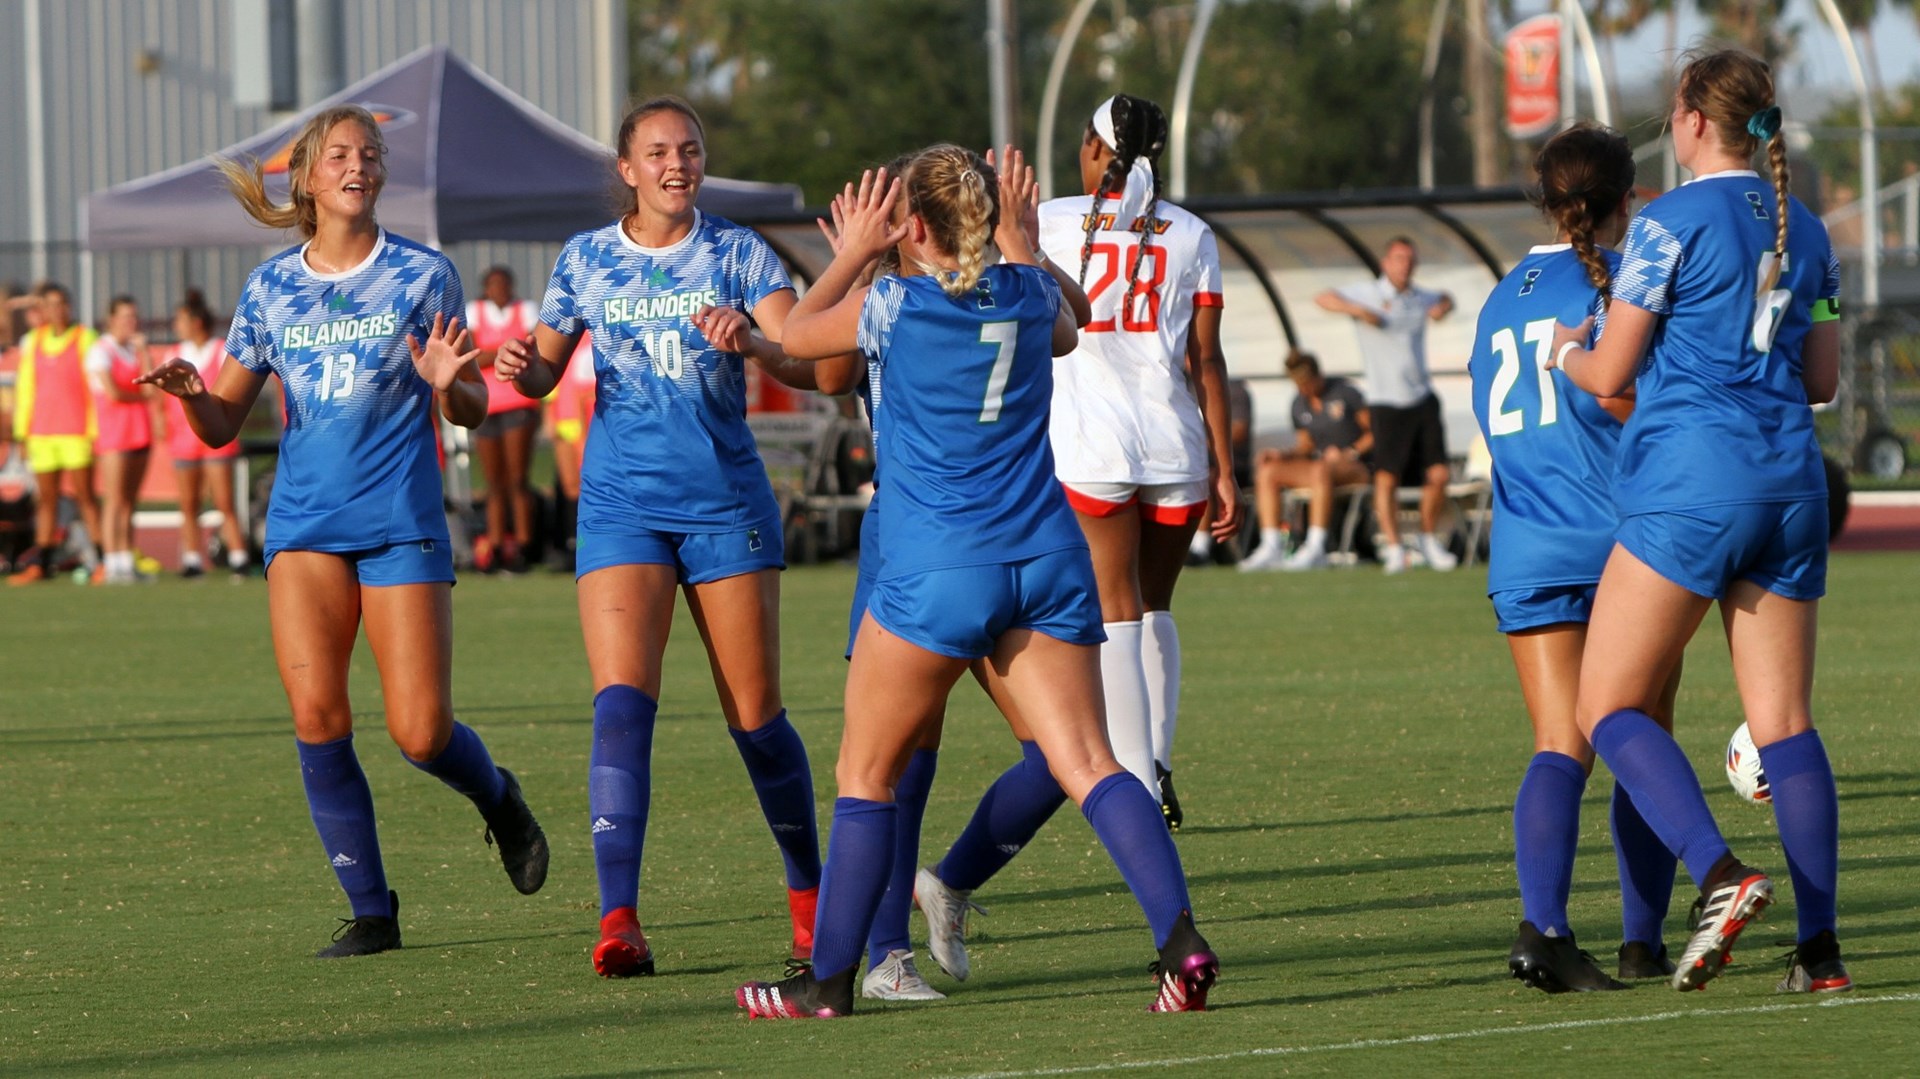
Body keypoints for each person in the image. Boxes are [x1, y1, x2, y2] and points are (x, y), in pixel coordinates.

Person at [734, 147, 1217, 1019]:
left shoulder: (891, 300)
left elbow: (797, 334)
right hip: (1043, 559)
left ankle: (831, 979)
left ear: (908, 226)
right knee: (1092, 762)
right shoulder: (1030, 294)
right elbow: (1078, 317)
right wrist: (1025, 240)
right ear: (986, 219)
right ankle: (1180, 943)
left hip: (936, 568)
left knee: (864, 771)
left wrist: (852, 247)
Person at [138, 104, 549, 958]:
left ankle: (498, 797)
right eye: (340, 155)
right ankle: (372, 910)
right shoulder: (270, 288)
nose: (358, 166)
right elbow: (222, 423)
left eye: (370, 153)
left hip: (399, 524)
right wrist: (188, 394)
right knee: (319, 716)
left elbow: (469, 405)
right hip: (304, 530)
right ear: (308, 179)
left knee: (420, 733)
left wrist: (450, 384)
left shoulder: (423, 275)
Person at [492, 96, 825, 979]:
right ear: (627, 169)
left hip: (726, 506)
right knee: (621, 704)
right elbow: (545, 369)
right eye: (658, 152)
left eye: (690, 149)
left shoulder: (739, 251)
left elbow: (805, 352)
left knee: (755, 719)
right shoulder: (586, 260)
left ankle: (810, 900)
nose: (677, 163)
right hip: (621, 507)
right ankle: (618, 918)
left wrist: (753, 339)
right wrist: (523, 368)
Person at [1548, 49, 1847, 993]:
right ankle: (1821, 954)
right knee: (1787, 723)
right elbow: (1824, 381)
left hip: (1689, 487)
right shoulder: (1809, 225)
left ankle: (1719, 872)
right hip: (1792, 486)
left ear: (1687, 120)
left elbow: (1609, 377)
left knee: (1607, 707)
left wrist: (1566, 353)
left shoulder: (1669, 220)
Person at [1469, 123, 1682, 993]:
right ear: (1626, 198)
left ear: (1544, 197)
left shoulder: (1497, 295)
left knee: (1559, 742)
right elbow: (1636, 403)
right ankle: (1642, 940)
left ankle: (1545, 926)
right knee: (1642, 734)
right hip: (1620, 541)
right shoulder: (1624, 285)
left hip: (1525, 542)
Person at [1035, 92, 1239, 828]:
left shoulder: (1050, 221)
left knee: (1114, 612)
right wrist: (1225, 465)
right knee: (1156, 607)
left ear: (1094, 150)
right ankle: (1156, 760)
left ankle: (1135, 789)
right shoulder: (1192, 231)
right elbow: (1206, 358)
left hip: (1091, 444)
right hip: (1176, 443)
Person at [1315, 237, 1457, 573]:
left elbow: (1446, 299)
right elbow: (1323, 297)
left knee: (1438, 474)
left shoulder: (1418, 297)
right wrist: (1359, 312)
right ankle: (1394, 548)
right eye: (1398, 259)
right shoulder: (1369, 293)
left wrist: (1444, 308)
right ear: (1385, 263)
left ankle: (1426, 538)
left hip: (1422, 397)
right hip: (1385, 401)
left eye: (1409, 260)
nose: (1404, 265)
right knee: (1386, 478)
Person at [1238, 350, 1373, 571]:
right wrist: (1283, 455)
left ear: (1317, 375)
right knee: (1268, 471)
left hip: (1357, 466)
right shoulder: (1299, 403)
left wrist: (1350, 452)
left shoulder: (1346, 393)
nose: (1304, 389)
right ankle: (1271, 545)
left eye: (1307, 382)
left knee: (1321, 470)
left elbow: (1374, 433)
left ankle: (1316, 546)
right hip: (1321, 468)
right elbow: (1307, 445)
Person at [8, 281, 103, 585]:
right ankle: (43, 562)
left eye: (62, 304)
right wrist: (22, 434)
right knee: (46, 500)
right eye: (50, 305)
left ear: (68, 306)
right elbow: (26, 391)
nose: (57, 310)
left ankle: (102, 559)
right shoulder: (33, 342)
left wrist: (95, 429)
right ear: (43, 310)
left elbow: (95, 388)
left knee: (85, 497)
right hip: (42, 433)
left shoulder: (85, 338)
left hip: (76, 432)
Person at [163, 290, 251, 578]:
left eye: (181, 320)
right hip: (183, 436)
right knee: (189, 503)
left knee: (224, 500)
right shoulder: (173, 354)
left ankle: (238, 555)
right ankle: (192, 559)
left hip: (214, 436)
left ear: (197, 322)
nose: (177, 325)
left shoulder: (222, 349)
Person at [465, 266, 540, 573]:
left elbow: (530, 351)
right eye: (493, 285)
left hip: (519, 402)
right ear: (485, 288)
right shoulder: (476, 311)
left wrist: (491, 352)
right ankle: (495, 545)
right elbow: (471, 354)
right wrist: (503, 349)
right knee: (493, 482)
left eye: (504, 284)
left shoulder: (525, 310)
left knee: (517, 479)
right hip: (486, 404)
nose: (499, 290)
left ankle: (524, 544)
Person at [84, 295, 154, 584]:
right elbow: (112, 392)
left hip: (139, 430)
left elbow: (151, 383)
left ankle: (126, 559)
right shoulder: (101, 350)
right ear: (111, 319)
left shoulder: (132, 350)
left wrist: (144, 350)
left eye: (133, 317)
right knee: (113, 500)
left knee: (129, 501)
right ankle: (111, 560)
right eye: (125, 317)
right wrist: (140, 396)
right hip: (115, 434)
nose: (131, 323)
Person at [546, 331, 596, 572]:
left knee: (587, 484)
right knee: (569, 486)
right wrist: (549, 417)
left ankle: (587, 543)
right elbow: (552, 383)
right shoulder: (564, 336)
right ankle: (571, 544)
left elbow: (589, 388)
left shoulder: (594, 338)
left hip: (586, 422)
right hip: (564, 422)